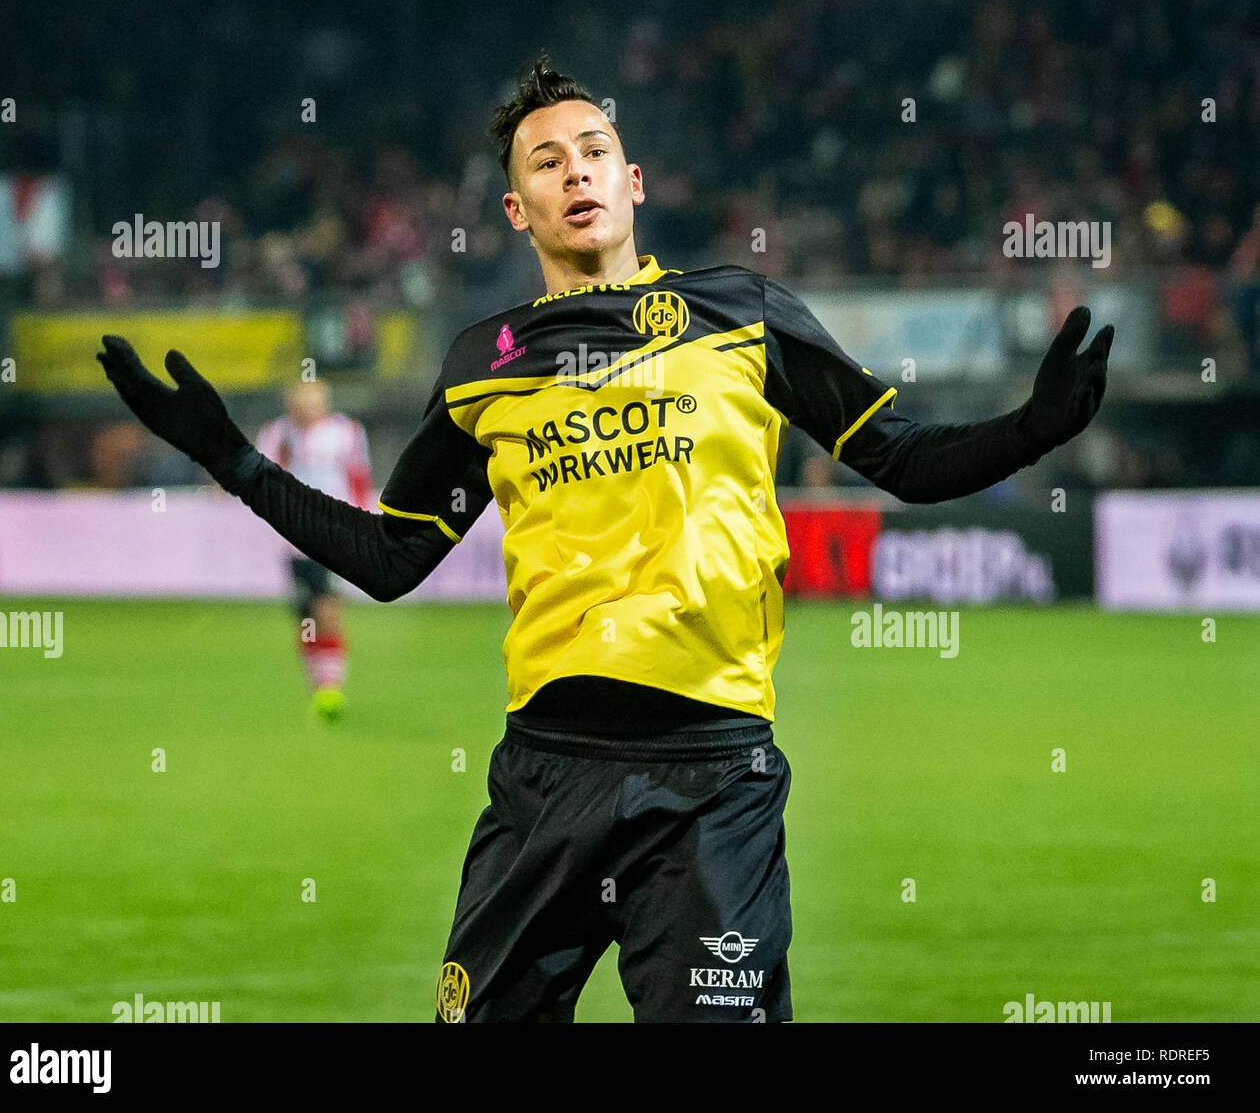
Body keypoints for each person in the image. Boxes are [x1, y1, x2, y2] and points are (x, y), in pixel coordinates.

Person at [97, 54, 1113, 1023]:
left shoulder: (741, 312)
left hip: (710, 780)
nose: (573, 169)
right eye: (545, 160)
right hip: (543, 777)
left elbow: (901, 457)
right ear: (515, 209)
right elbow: (389, 558)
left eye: (591, 150)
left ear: (631, 181)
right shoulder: (482, 363)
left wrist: (1033, 429)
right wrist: (230, 456)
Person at [256, 380, 372, 719]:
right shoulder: (276, 434)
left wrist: (361, 524)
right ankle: (318, 682)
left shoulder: (347, 432)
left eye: (314, 400)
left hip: (334, 533)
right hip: (294, 540)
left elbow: (358, 477)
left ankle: (331, 688)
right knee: (305, 615)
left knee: (328, 608)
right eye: (301, 400)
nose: (307, 406)